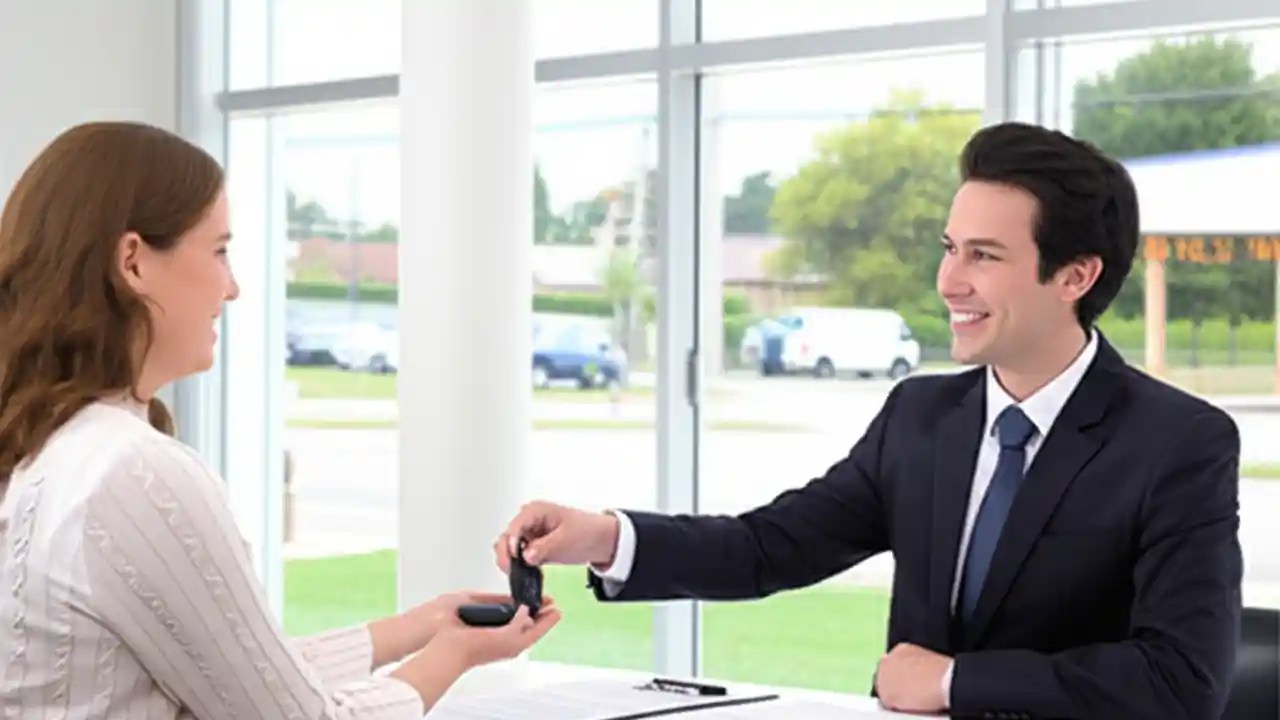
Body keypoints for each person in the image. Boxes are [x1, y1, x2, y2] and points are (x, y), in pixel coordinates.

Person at [497, 122, 1242, 719]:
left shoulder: (1179, 443)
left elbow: (1179, 680)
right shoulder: (922, 416)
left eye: (984, 256)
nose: (949, 281)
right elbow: (768, 547)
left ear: (1076, 275)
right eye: (950, 249)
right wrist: (603, 537)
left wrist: (952, 682)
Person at [0, 121, 560, 718]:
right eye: (219, 251)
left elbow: (238, 671)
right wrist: (452, 656)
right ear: (133, 263)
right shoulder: (131, 471)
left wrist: (419, 628)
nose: (233, 287)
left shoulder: (51, 450)